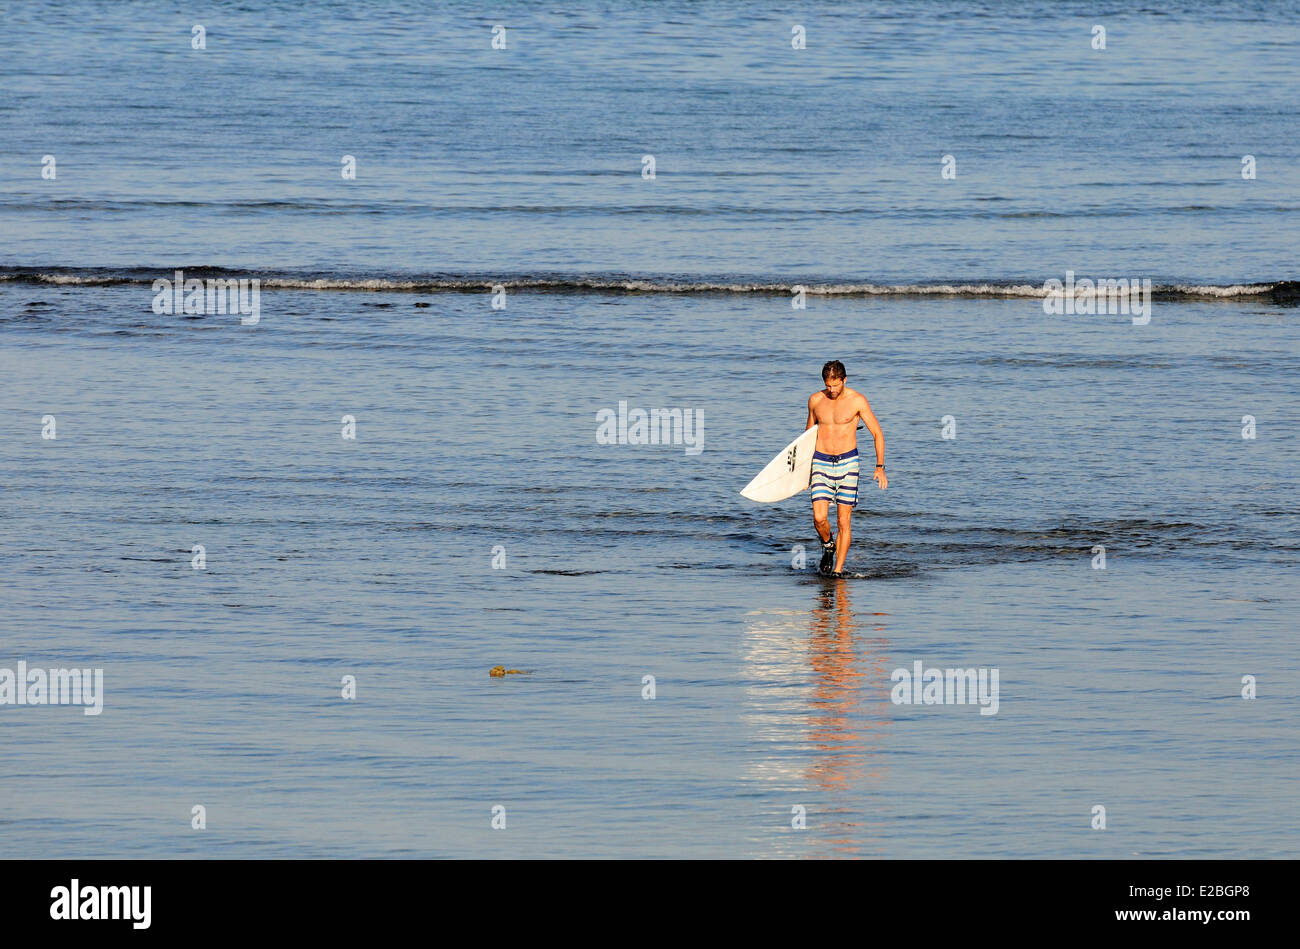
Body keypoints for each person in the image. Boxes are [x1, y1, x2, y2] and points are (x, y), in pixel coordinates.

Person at [805, 360, 886, 576]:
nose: (831, 390)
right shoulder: (815, 400)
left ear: (844, 380)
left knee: (843, 519)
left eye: (835, 385)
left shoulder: (857, 401)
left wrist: (879, 466)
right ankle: (828, 545)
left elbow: (877, 433)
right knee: (819, 518)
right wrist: (802, 473)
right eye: (828, 385)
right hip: (820, 462)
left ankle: (838, 572)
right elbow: (806, 437)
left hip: (848, 463)